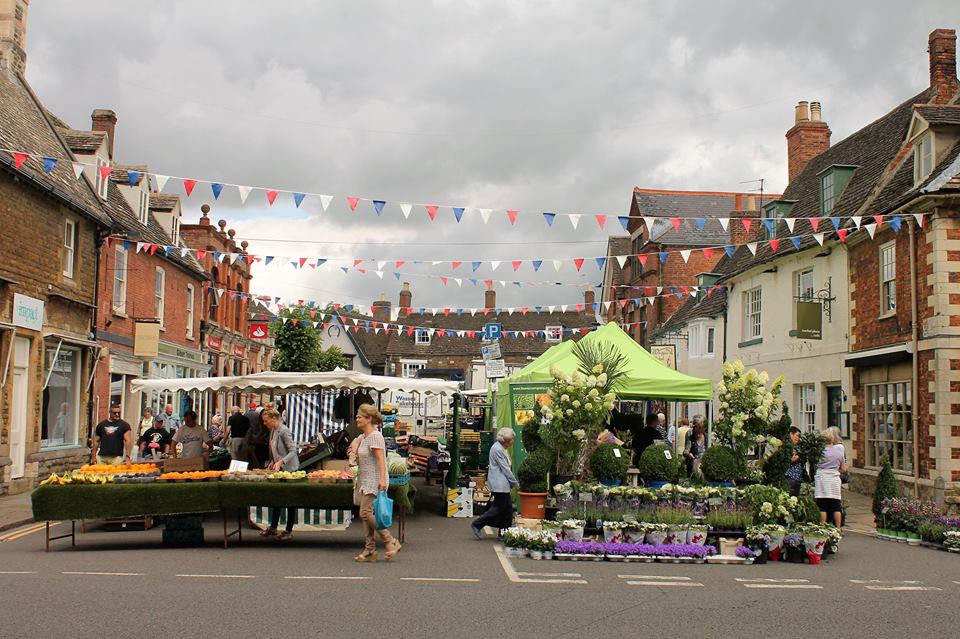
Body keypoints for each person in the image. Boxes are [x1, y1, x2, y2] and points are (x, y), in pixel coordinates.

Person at [354, 404, 401, 562]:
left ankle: (390, 541)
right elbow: (358, 448)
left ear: (368, 419)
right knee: (366, 515)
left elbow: (381, 460)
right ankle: (370, 550)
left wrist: (381, 479)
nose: (357, 419)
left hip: (374, 480)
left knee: (365, 513)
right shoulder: (365, 436)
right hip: (365, 480)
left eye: (360, 416)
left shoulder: (375, 436)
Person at [471, 427, 519, 539]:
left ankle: (503, 532)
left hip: (502, 484)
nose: (512, 442)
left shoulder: (501, 448)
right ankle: (478, 523)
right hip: (499, 484)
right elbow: (505, 468)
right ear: (506, 440)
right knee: (499, 508)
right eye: (511, 440)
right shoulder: (498, 449)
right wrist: (515, 482)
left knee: (507, 510)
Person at [259, 408, 299, 541]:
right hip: (279, 470)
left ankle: (288, 530)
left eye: (266, 421)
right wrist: (273, 461)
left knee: (290, 500)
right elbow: (276, 450)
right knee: (276, 497)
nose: (265, 424)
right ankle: (273, 527)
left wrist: (281, 461)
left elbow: (293, 451)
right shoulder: (273, 431)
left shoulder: (284, 431)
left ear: (274, 419)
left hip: (289, 470)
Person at [815, 429, 845, 528]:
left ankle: (822, 526)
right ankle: (838, 527)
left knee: (822, 505)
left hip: (822, 477)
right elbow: (843, 468)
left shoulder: (820, 452)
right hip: (834, 478)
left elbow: (815, 464)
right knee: (836, 505)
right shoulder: (839, 452)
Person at [245, 403, 268, 468]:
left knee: (250, 460)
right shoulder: (258, 416)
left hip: (250, 440)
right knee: (259, 461)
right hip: (259, 441)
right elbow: (262, 429)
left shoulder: (245, 414)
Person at [784, 426, 804, 497]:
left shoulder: (798, 447)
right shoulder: (786, 446)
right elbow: (790, 460)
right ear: (791, 434)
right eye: (797, 436)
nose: (798, 438)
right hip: (789, 477)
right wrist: (798, 456)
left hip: (797, 478)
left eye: (799, 437)